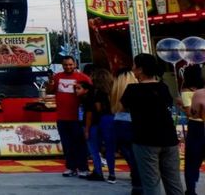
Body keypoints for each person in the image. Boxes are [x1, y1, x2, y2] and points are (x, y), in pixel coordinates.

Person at [121, 53, 184, 195]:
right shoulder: (163, 87)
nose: (132, 68)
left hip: (145, 140)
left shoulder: (132, 89)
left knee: (151, 183)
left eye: (134, 65)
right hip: (169, 139)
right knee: (174, 182)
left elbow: (122, 107)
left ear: (140, 69)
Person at [47, 55, 91, 177]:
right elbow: (49, 91)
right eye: (65, 65)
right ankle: (71, 167)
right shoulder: (57, 77)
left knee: (79, 144)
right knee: (67, 144)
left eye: (70, 64)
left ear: (75, 64)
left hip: (77, 118)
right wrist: (50, 82)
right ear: (62, 65)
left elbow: (91, 94)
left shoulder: (83, 78)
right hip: (62, 117)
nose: (68, 67)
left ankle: (83, 168)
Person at [79, 68, 116, 183]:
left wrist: (87, 129)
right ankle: (112, 174)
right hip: (112, 119)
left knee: (94, 149)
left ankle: (98, 171)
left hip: (97, 121)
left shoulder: (94, 93)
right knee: (110, 148)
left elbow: (94, 110)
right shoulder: (113, 91)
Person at [111, 67, 141, 195]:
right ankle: (138, 181)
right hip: (133, 122)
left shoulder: (116, 89)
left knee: (129, 154)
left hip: (119, 121)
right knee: (137, 155)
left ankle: (136, 180)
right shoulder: (137, 88)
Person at [180, 64, 205, 195]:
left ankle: (191, 190)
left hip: (196, 127)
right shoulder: (202, 90)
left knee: (191, 161)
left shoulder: (186, 91)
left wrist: (181, 105)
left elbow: (191, 113)